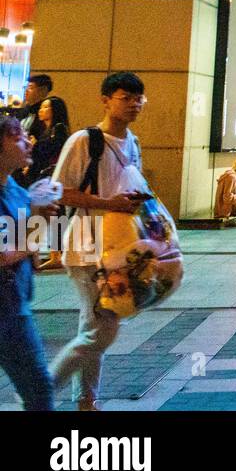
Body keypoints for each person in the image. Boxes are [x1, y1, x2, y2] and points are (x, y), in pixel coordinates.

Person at [49, 72, 152, 411]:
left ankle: (86, 400)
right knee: (101, 331)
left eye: (139, 98)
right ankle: (40, 391)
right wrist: (110, 204)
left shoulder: (132, 142)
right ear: (106, 99)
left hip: (117, 249)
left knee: (94, 328)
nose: (135, 104)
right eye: (126, 97)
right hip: (86, 249)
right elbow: (60, 191)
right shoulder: (85, 140)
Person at [0, 114, 54, 410]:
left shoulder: (20, 192)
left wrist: (43, 220)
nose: (29, 142)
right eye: (18, 137)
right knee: (39, 390)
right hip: (8, 314)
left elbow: (30, 253)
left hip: (14, 305)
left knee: (38, 389)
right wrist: (37, 229)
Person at [25, 96, 70, 272]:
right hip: (48, 178)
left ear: (54, 110)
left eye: (45, 107)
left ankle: (56, 255)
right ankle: (54, 254)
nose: (41, 110)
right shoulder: (48, 130)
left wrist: (35, 145)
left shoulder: (58, 129)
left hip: (53, 179)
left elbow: (51, 150)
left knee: (55, 214)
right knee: (51, 215)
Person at [16, 74, 53, 139]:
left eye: (31, 88)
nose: (26, 91)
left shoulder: (46, 113)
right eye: (26, 88)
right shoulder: (26, 110)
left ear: (43, 91)